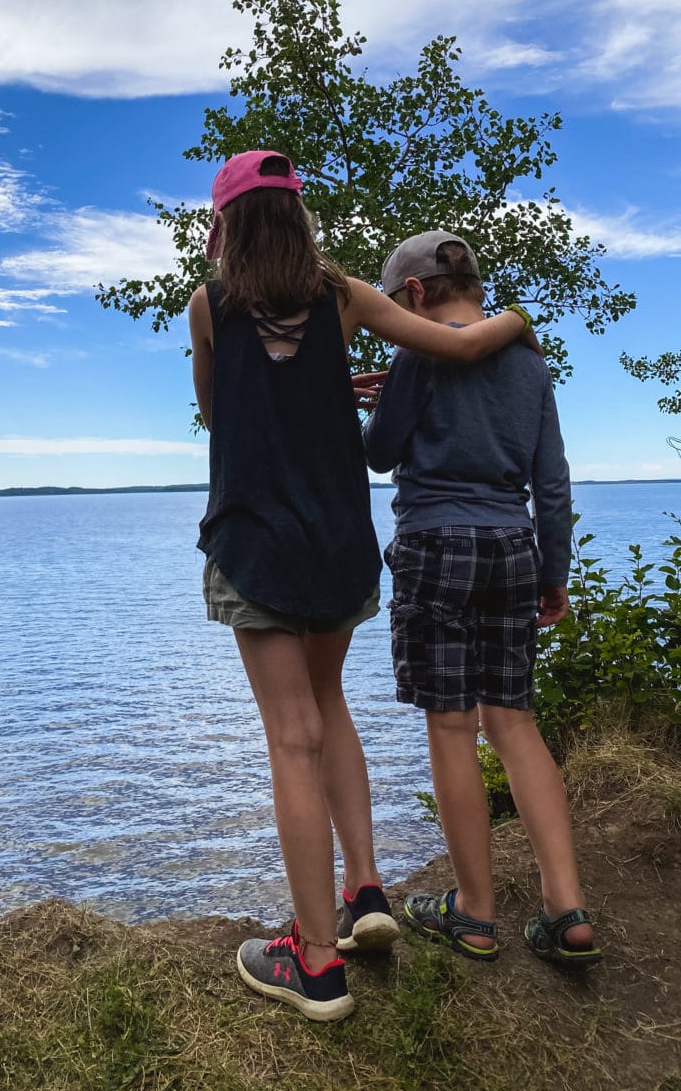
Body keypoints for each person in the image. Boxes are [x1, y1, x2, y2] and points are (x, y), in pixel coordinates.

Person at [189, 154, 538, 1023]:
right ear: (298, 218)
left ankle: (313, 962)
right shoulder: (342, 296)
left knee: (291, 737)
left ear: (226, 226)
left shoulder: (209, 306)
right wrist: (516, 317)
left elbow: (221, 415)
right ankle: (365, 889)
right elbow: (462, 344)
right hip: (337, 542)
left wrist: (305, 390)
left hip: (255, 544)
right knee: (329, 702)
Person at [362, 231, 600, 968]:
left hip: (436, 543)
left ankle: (473, 910)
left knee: (451, 727)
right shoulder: (528, 363)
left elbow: (379, 452)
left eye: (394, 303)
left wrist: (381, 398)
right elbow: (552, 480)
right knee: (515, 722)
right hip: (513, 547)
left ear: (416, 293)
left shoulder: (418, 353)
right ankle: (566, 910)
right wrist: (554, 572)